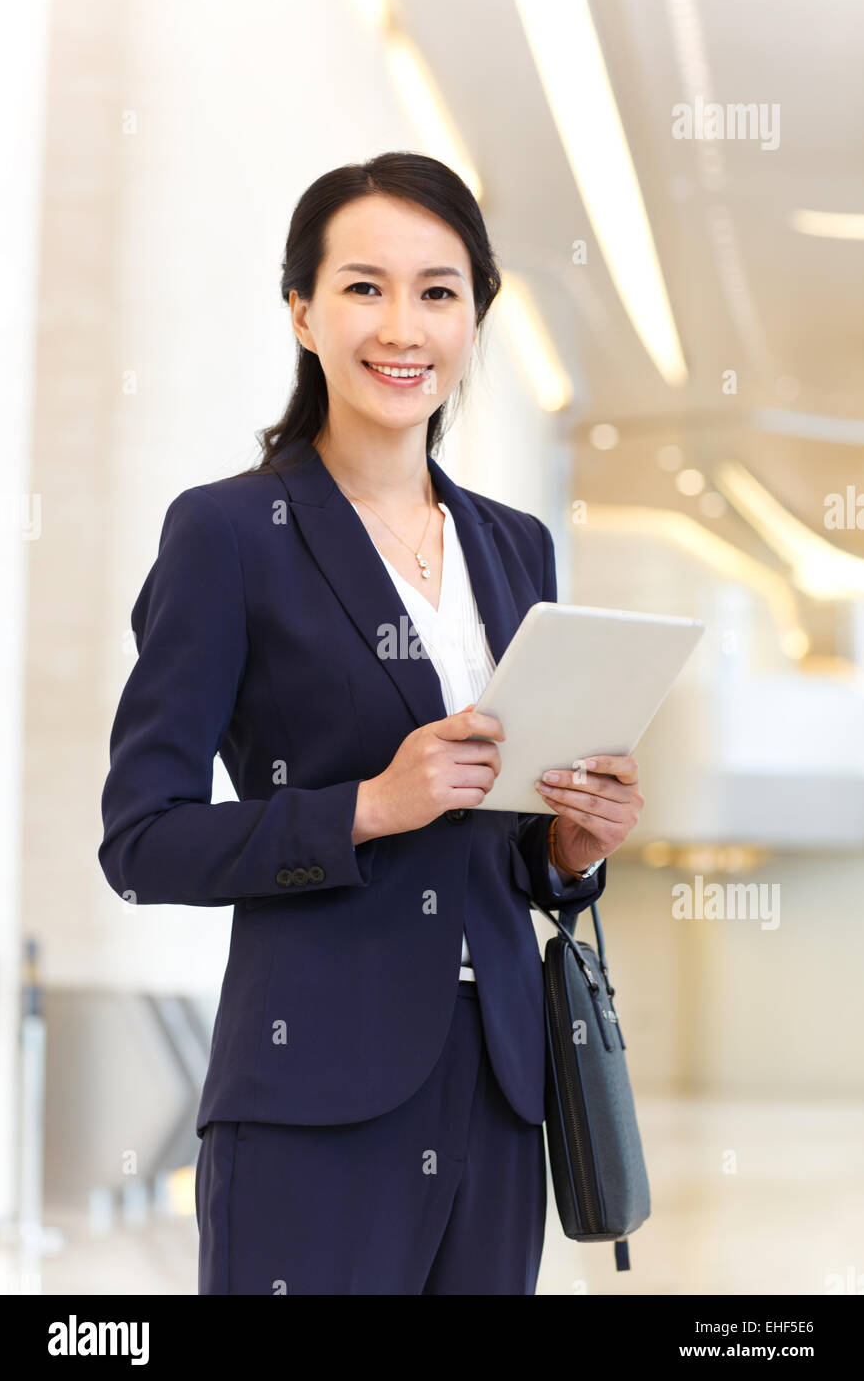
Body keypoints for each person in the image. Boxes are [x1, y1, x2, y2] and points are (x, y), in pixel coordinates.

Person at [98, 151, 644, 1295]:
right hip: (313, 1099)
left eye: (438, 292)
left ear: (474, 318)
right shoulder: (229, 534)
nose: (403, 326)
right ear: (300, 310)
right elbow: (141, 841)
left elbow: (500, 842)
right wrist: (368, 807)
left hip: (500, 1094)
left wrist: (568, 851)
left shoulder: (513, 546)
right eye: (363, 286)